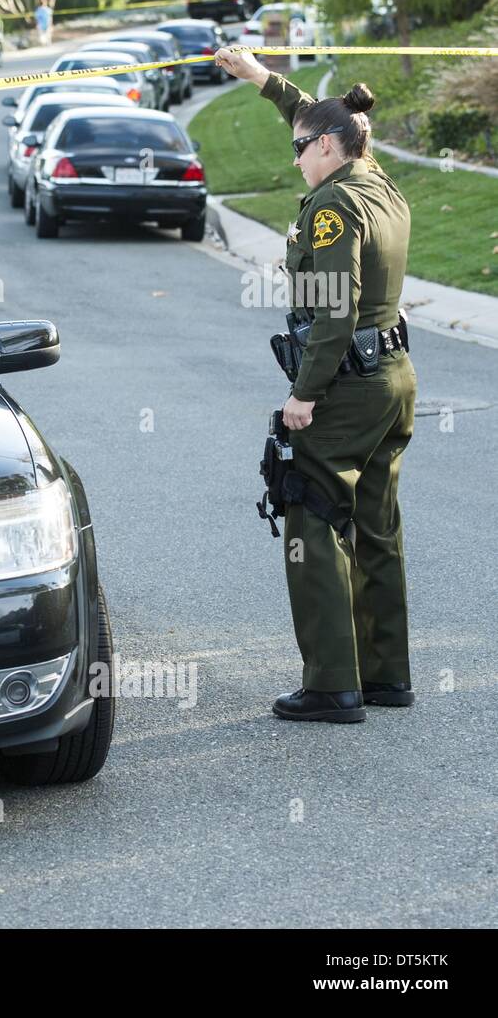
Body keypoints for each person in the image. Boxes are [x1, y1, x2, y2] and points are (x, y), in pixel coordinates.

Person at [215, 46, 417, 724]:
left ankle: (332, 685)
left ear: (328, 146)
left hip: (346, 386)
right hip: (393, 379)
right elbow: (318, 114)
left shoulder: (332, 206)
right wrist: (261, 79)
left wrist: (303, 396)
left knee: (312, 512)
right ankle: (386, 675)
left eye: (301, 149)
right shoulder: (376, 180)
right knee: (377, 524)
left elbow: (335, 310)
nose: (296, 159)